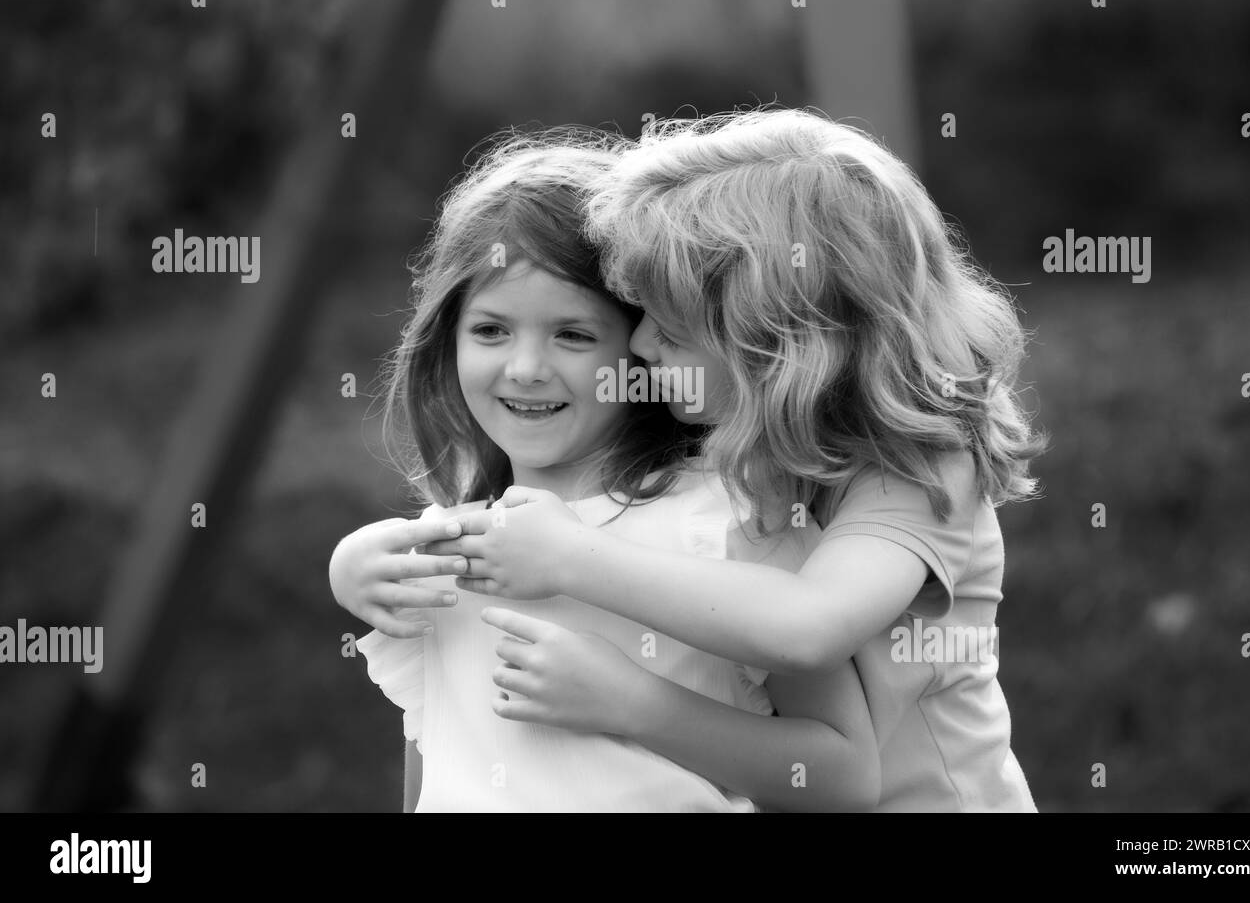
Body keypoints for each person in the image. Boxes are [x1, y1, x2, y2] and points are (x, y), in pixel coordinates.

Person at [429, 109, 1047, 811]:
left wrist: (575, 566)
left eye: (671, 324)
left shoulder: (919, 465)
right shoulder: (753, 453)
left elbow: (807, 625)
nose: (640, 347)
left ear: (773, 340)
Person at [329, 130, 880, 812]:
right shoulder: (442, 555)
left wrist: (635, 704)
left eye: (574, 334)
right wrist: (350, 562)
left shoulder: (734, 518)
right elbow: (438, 766)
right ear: (447, 343)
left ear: (649, 344)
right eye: (491, 330)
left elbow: (844, 780)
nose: (526, 368)